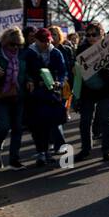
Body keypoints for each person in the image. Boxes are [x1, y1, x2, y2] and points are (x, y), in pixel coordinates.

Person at [74, 22, 109, 161]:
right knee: (85, 121)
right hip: (88, 91)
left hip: (106, 89)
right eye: (88, 35)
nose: (90, 37)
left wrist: (104, 69)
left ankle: (107, 150)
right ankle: (85, 149)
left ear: (102, 34)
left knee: (106, 120)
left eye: (94, 34)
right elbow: (77, 70)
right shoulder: (82, 49)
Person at [0, 27, 27, 170]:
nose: (15, 47)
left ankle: (14, 159)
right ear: (5, 42)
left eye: (18, 44)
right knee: (3, 127)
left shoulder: (22, 55)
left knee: (17, 128)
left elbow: (27, 72)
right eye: (12, 44)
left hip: (18, 95)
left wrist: (30, 80)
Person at [23, 28, 68, 167]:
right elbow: (23, 71)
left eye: (47, 41)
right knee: (37, 125)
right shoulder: (29, 53)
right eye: (42, 41)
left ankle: (47, 152)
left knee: (50, 123)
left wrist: (59, 82)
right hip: (35, 95)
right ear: (36, 40)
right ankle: (41, 152)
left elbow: (63, 71)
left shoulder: (56, 52)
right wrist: (30, 80)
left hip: (51, 94)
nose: (45, 44)